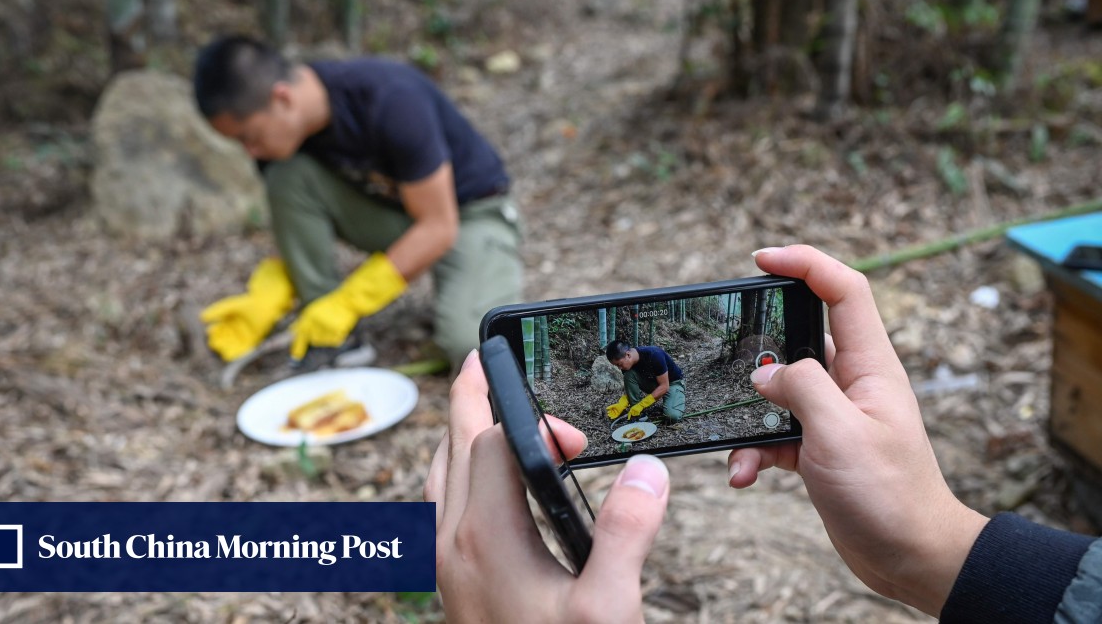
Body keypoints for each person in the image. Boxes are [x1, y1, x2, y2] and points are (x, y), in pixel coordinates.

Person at [424, 245, 1102, 623]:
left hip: (673, 388)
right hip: (1032, 586)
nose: (623, 365)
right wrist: (923, 550)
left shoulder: (652, 359)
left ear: (630, 352)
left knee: (665, 413)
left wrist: (644, 410)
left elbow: (656, 389)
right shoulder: (622, 369)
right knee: (623, 414)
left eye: (622, 360)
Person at [192, 36, 522, 367]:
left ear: (282, 98)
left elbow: (439, 227)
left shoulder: (390, 99)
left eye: (248, 137)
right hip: (396, 213)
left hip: (468, 216)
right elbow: (294, 221)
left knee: (476, 348)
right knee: (286, 176)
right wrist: (267, 293)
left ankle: (345, 313)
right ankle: (330, 336)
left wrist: (350, 302)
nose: (249, 152)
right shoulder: (280, 144)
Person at [604, 340, 686, 422]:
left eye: (619, 364)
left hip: (672, 383)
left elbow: (664, 386)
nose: (619, 368)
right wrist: (622, 403)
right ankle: (636, 412)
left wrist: (642, 405)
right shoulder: (627, 366)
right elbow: (631, 385)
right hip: (652, 381)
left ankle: (675, 397)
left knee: (672, 416)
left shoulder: (654, 355)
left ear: (628, 355)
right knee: (629, 374)